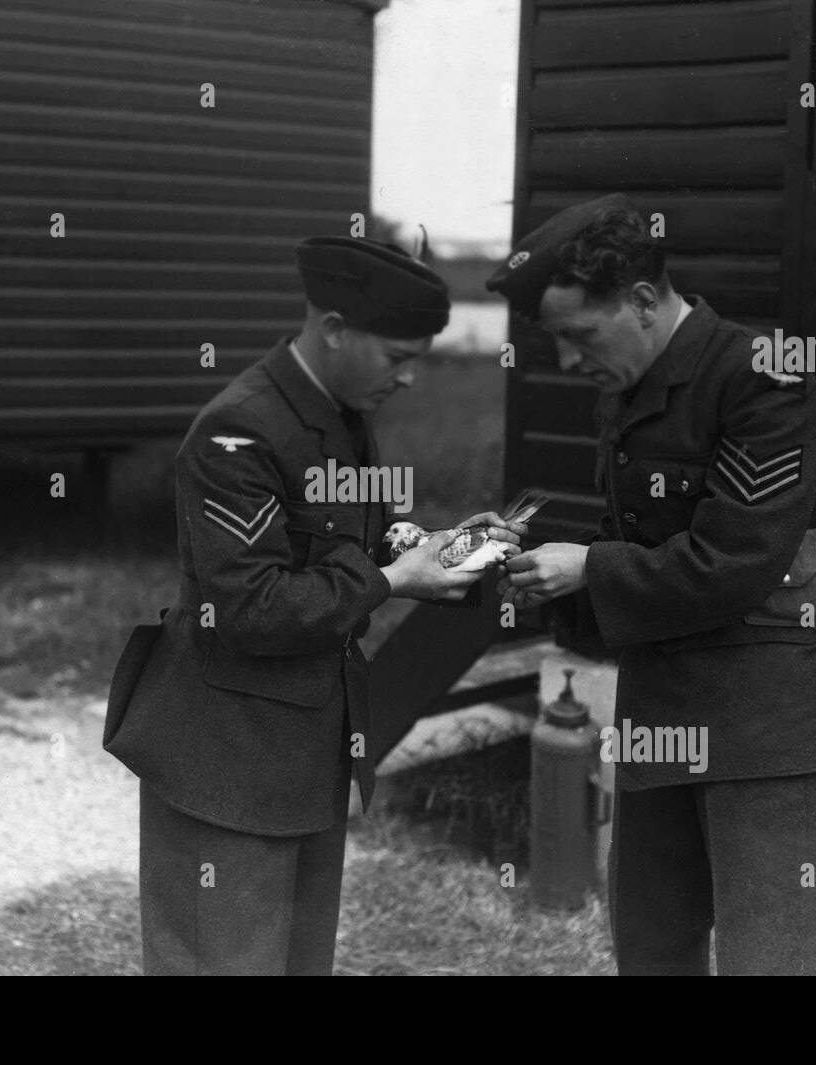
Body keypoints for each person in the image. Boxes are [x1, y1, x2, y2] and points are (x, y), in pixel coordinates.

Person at [487, 195, 816, 976]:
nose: (568, 360)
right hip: (668, 705)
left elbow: (735, 561)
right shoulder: (634, 383)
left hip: (776, 718)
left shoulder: (766, 378)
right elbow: (648, 538)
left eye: (578, 334)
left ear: (645, 301)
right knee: (653, 944)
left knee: (775, 958)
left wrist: (586, 566)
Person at [106, 234, 526, 975]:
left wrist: (433, 544)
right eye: (398, 356)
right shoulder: (238, 430)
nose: (410, 377)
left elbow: (354, 532)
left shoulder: (341, 410)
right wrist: (398, 580)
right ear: (334, 330)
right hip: (227, 761)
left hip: (304, 750)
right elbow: (250, 606)